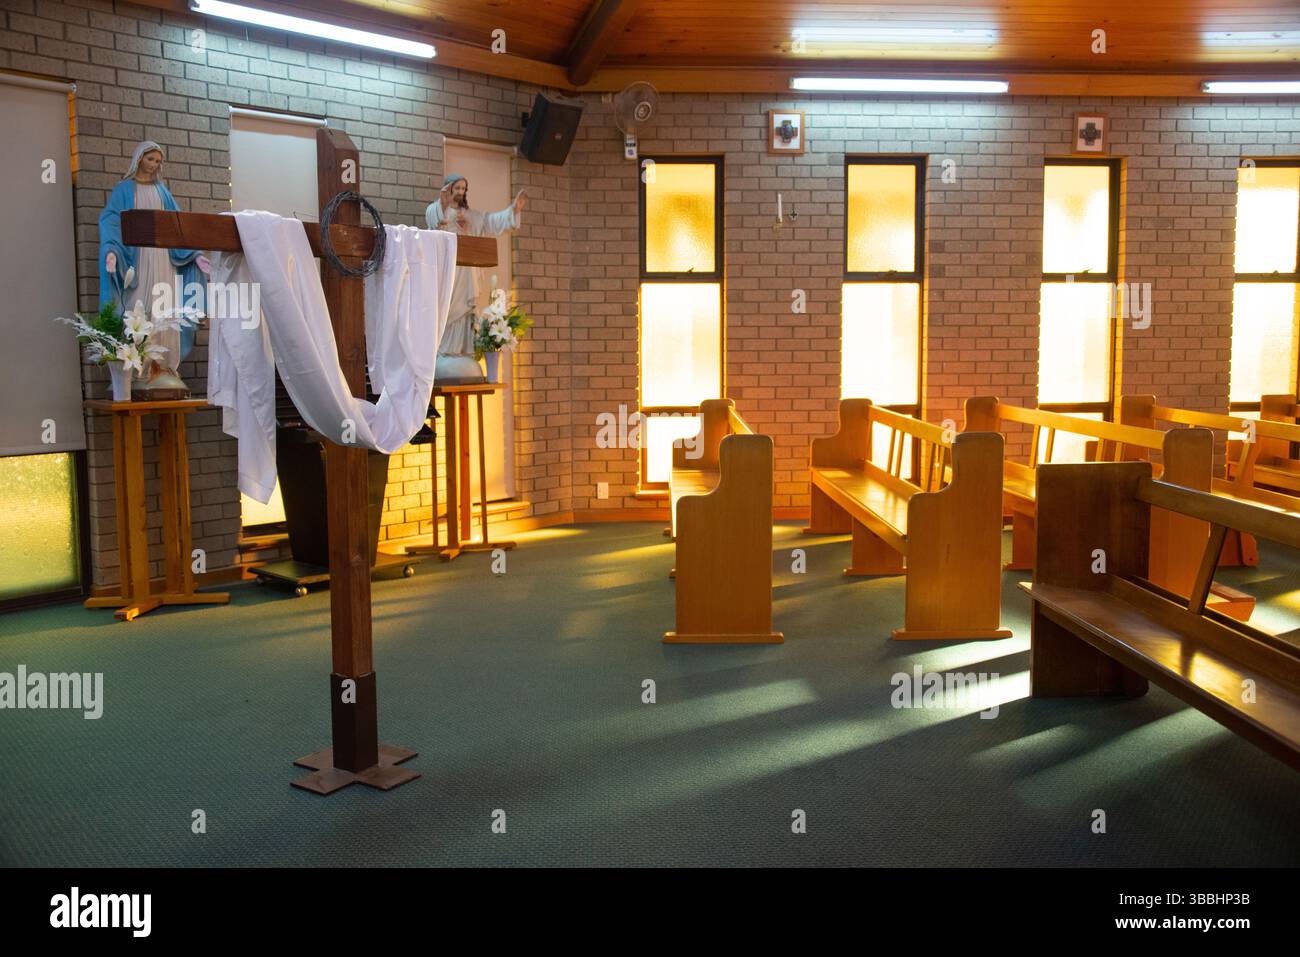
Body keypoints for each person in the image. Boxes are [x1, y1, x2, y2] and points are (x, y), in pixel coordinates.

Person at [98, 141, 209, 395]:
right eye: (150, 159)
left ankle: (165, 367)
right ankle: (140, 369)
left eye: (158, 161)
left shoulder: (163, 193)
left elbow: (179, 227)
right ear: (139, 159)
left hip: (163, 259)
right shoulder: (124, 189)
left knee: (166, 311)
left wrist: (195, 255)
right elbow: (111, 221)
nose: (154, 165)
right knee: (140, 307)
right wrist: (112, 251)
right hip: (138, 259)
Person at [425, 174, 525, 380]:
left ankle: (462, 351)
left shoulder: (471, 216)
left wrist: (512, 211)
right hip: (450, 273)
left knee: (466, 311)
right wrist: (442, 205)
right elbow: (434, 222)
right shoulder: (438, 210)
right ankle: (444, 352)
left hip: (469, 272)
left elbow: (489, 221)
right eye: (457, 188)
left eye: (463, 188)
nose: (461, 192)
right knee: (450, 310)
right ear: (449, 189)